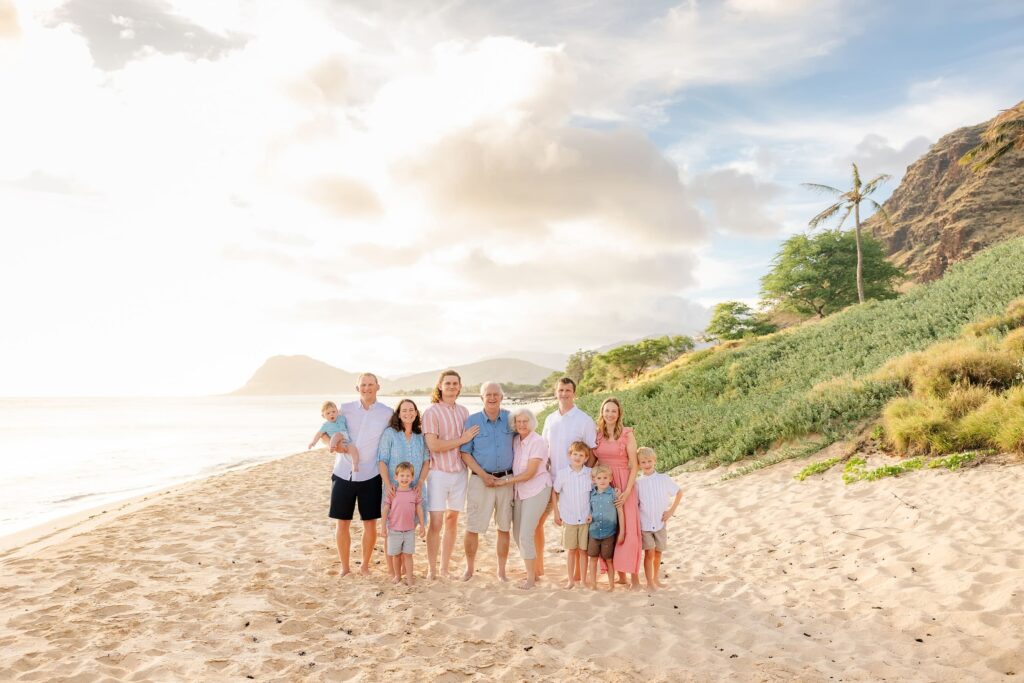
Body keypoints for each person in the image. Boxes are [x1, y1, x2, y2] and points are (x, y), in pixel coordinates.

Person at [331, 374, 393, 576]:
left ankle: (365, 565)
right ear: (357, 388)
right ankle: (345, 567)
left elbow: (395, 438)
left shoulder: (387, 413)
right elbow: (329, 432)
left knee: (370, 523)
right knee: (343, 523)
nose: (367, 388)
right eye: (363, 385)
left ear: (378, 387)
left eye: (370, 385)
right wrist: (335, 446)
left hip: (371, 474)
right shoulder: (345, 408)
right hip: (343, 472)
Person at [422, 370, 479, 580]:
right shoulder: (431, 412)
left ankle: (445, 567)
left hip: (460, 473)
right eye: (448, 383)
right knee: (436, 522)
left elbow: (470, 444)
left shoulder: (464, 412)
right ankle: (432, 569)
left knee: (452, 519)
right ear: (440, 386)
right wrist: (461, 439)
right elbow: (433, 445)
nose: (452, 386)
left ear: (460, 387)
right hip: (438, 473)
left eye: (455, 383)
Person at [538, 377, 597, 579]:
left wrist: (584, 477)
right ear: (556, 392)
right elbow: (543, 449)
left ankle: (578, 576)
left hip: (577, 485)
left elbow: (592, 453)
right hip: (551, 481)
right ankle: (538, 569)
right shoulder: (549, 419)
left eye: (568, 390)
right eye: (560, 390)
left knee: (579, 528)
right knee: (538, 523)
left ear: (574, 393)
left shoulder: (584, 420)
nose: (564, 393)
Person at [459, 381, 515, 582]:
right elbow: (465, 453)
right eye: (488, 394)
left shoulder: (511, 419)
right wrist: (483, 475)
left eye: (496, 394)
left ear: (502, 397)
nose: (492, 398)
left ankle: (501, 571)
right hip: (479, 480)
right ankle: (469, 569)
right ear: (481, 397)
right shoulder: (472, 421)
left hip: (506, 481)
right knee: (473, 526)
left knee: (504, 526)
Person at [497, 407, 551, 590]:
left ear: (532, 422)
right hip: (519, 491)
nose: (521, 425)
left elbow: (530, 473)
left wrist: (506, 481)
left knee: (526, 533)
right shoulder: (515, 441)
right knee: (517, 533)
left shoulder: (538, 442)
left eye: (525, 421)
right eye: (518, 422)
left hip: (537, 489)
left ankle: (530, 579)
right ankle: (534, 571)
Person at [591, 396, 642, 589]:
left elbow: (634, 464)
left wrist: (628, 491)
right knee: (612, 529)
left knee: (629, 530)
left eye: (614, 410)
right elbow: (593, 461)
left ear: (619, 413)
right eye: (607, 410)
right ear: (602, 413)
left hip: (624, 482)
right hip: (605, 484)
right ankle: (621, 576)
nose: (610, 414)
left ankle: (635, 578)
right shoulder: (596, 435)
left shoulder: (627, 434)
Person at [377, 399, 430, 580]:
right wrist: (387, 482)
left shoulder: (419, 436)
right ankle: (393, 573)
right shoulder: (390, 434)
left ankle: (405, 572)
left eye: (411, 410)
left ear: (416, 413)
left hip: (415, 490)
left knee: (408, 530)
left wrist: (421, 482)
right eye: (404, 410)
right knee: (393, 531)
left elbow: (426, 461)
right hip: (394, 490)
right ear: (398, 414)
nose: (408, 413)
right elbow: (382, 460)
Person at [635, 447, 682, 592]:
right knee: (649, 552)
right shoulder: (638, 483)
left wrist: (670, 511)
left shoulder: (663, 478)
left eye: (649, 461)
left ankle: (656, 579)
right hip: (645, 525)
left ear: (654, 461)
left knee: (658, 553)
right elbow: (636, 504)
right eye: (643, 462)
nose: (647, 464)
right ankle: (649, 582)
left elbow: (679, 492)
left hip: (660, 523)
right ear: (639, 464)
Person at [551, 441, 593, 589]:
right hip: (568, 518)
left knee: (583, 551)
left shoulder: (589, 473)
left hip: (585, 518)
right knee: (571, 550)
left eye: (581, 455)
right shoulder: (563, 474)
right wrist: (556, 512)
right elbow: (554, 492)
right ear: (570, 455)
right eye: (575, 454)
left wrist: (592, 513)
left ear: (586, 458)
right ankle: (570, 580)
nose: (578, 457)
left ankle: (582, 580)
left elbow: (594, 494)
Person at [381, 462, 426, 586]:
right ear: (396, 477)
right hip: (394, 531)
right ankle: (397, 575)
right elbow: (385, 510)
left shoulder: (414, 493)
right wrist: (383, 527)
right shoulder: (392, 493)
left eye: (407, 476)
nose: (404, 478)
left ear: (412, 478)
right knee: (396, 556)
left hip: (409, 531)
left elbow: (419, 509)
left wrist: (422, 525)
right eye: (402, 475)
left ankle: (410, 577)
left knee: (408, 555)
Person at [585, 464, 624, 592]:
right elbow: (590, 510)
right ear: (594, 479)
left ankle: (611, 585)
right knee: (593, 558)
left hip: (609, 533)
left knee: (608, 559)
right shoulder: (591, 494)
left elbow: (620, 511)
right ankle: (593, 584)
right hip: (594, 532)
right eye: (599, 478)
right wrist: (589, 516)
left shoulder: (614, 493)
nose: (602, 480)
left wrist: (622, 531)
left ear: (610, 478)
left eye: (605, 477)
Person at [308, 400, 360, 472]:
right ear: (323, 416)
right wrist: (313, 442)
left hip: (346, 440)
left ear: (337, 412)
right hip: (336, 441)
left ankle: (355, 464)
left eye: (333, 412)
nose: (331, 414)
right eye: (328, 413)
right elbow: (319, 434)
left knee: (353, 449)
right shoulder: (325, 425)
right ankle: (332, 446)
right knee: (337, 434)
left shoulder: (341, 418)